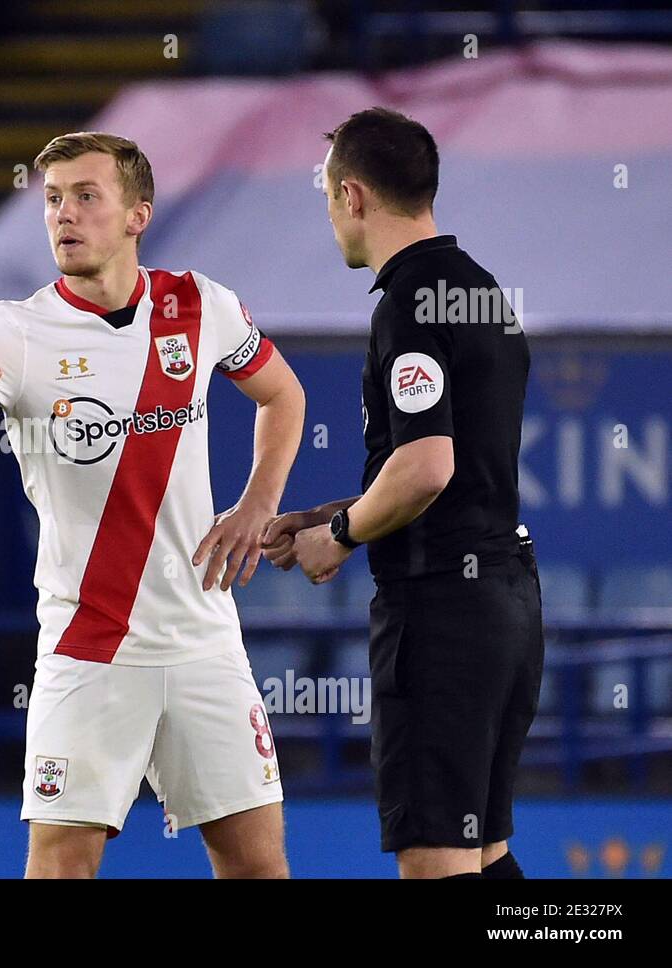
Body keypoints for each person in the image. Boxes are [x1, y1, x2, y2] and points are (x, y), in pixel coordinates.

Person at [0, 132, 305, 878]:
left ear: (136, 215)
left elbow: (283, 392)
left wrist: (259, 500)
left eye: (87, 196)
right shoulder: (13, 330)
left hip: (203, 642)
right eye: (53, 199)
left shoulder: (199, 304)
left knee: (258, 867)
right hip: (88, 647)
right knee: (61, 869)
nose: (64, 215)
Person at [262, 107, 542, 879]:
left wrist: (341, 535)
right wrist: (323, 514)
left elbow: (427, 468)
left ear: (353, 196)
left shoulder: (408, 305)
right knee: (484, 855)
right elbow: (458, 464)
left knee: (435, 861)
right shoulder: (482, 292)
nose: (330, 219)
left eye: (326, 198)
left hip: (443, 612)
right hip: (507, 601)